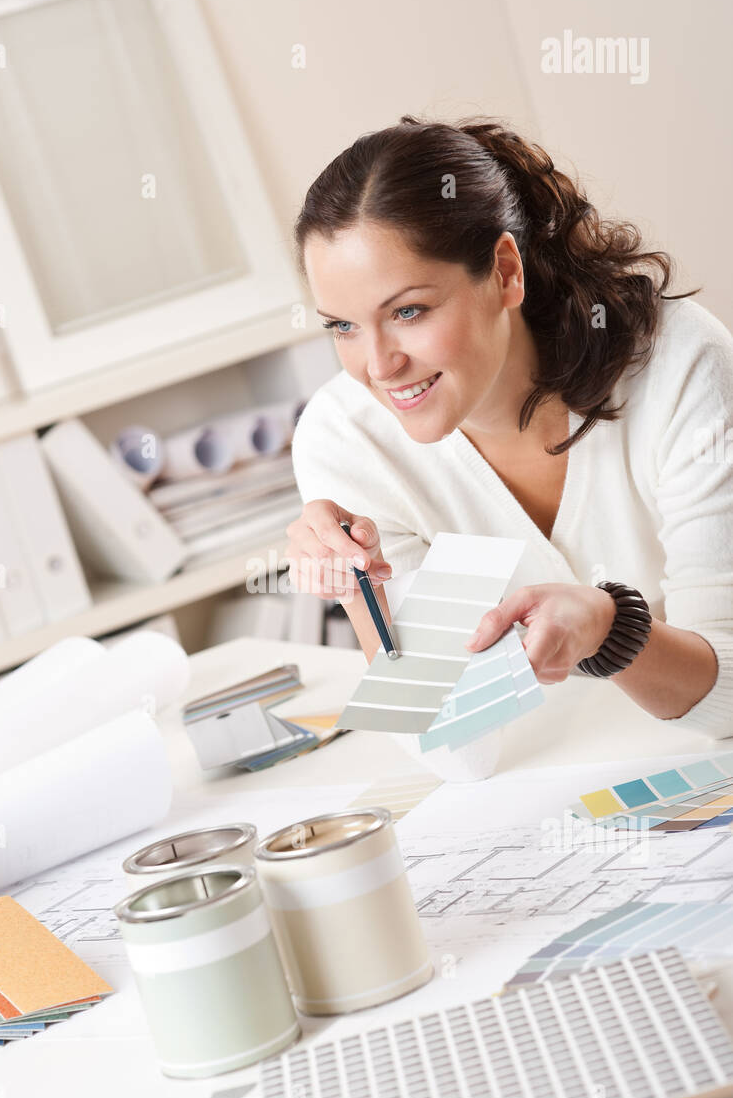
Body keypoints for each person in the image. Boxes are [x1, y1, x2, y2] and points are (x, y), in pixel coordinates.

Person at [286, 116, 733, 738]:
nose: (380, 365)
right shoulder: (344, 439)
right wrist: (363, 591)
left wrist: (609, 626)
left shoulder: (678, 364)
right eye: (343, 327)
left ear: (504, 271)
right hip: (572, 777)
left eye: (408, 311)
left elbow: (728, 700)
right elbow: (453, 740)